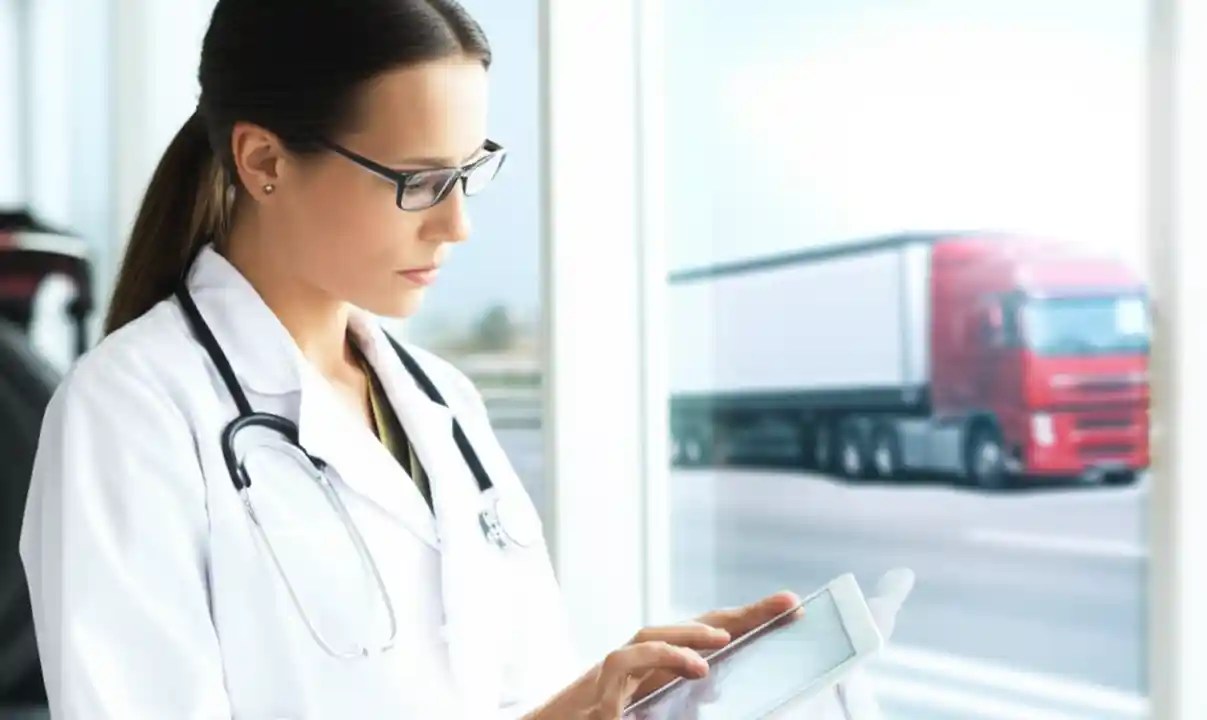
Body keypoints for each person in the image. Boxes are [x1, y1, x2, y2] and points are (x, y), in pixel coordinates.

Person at [19, 1, 910, 718]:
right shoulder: (130, 413)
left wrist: (623, 699)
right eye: (417, 182)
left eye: (467, 171)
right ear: (262, 161)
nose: (456, 225)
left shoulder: (440, 401)